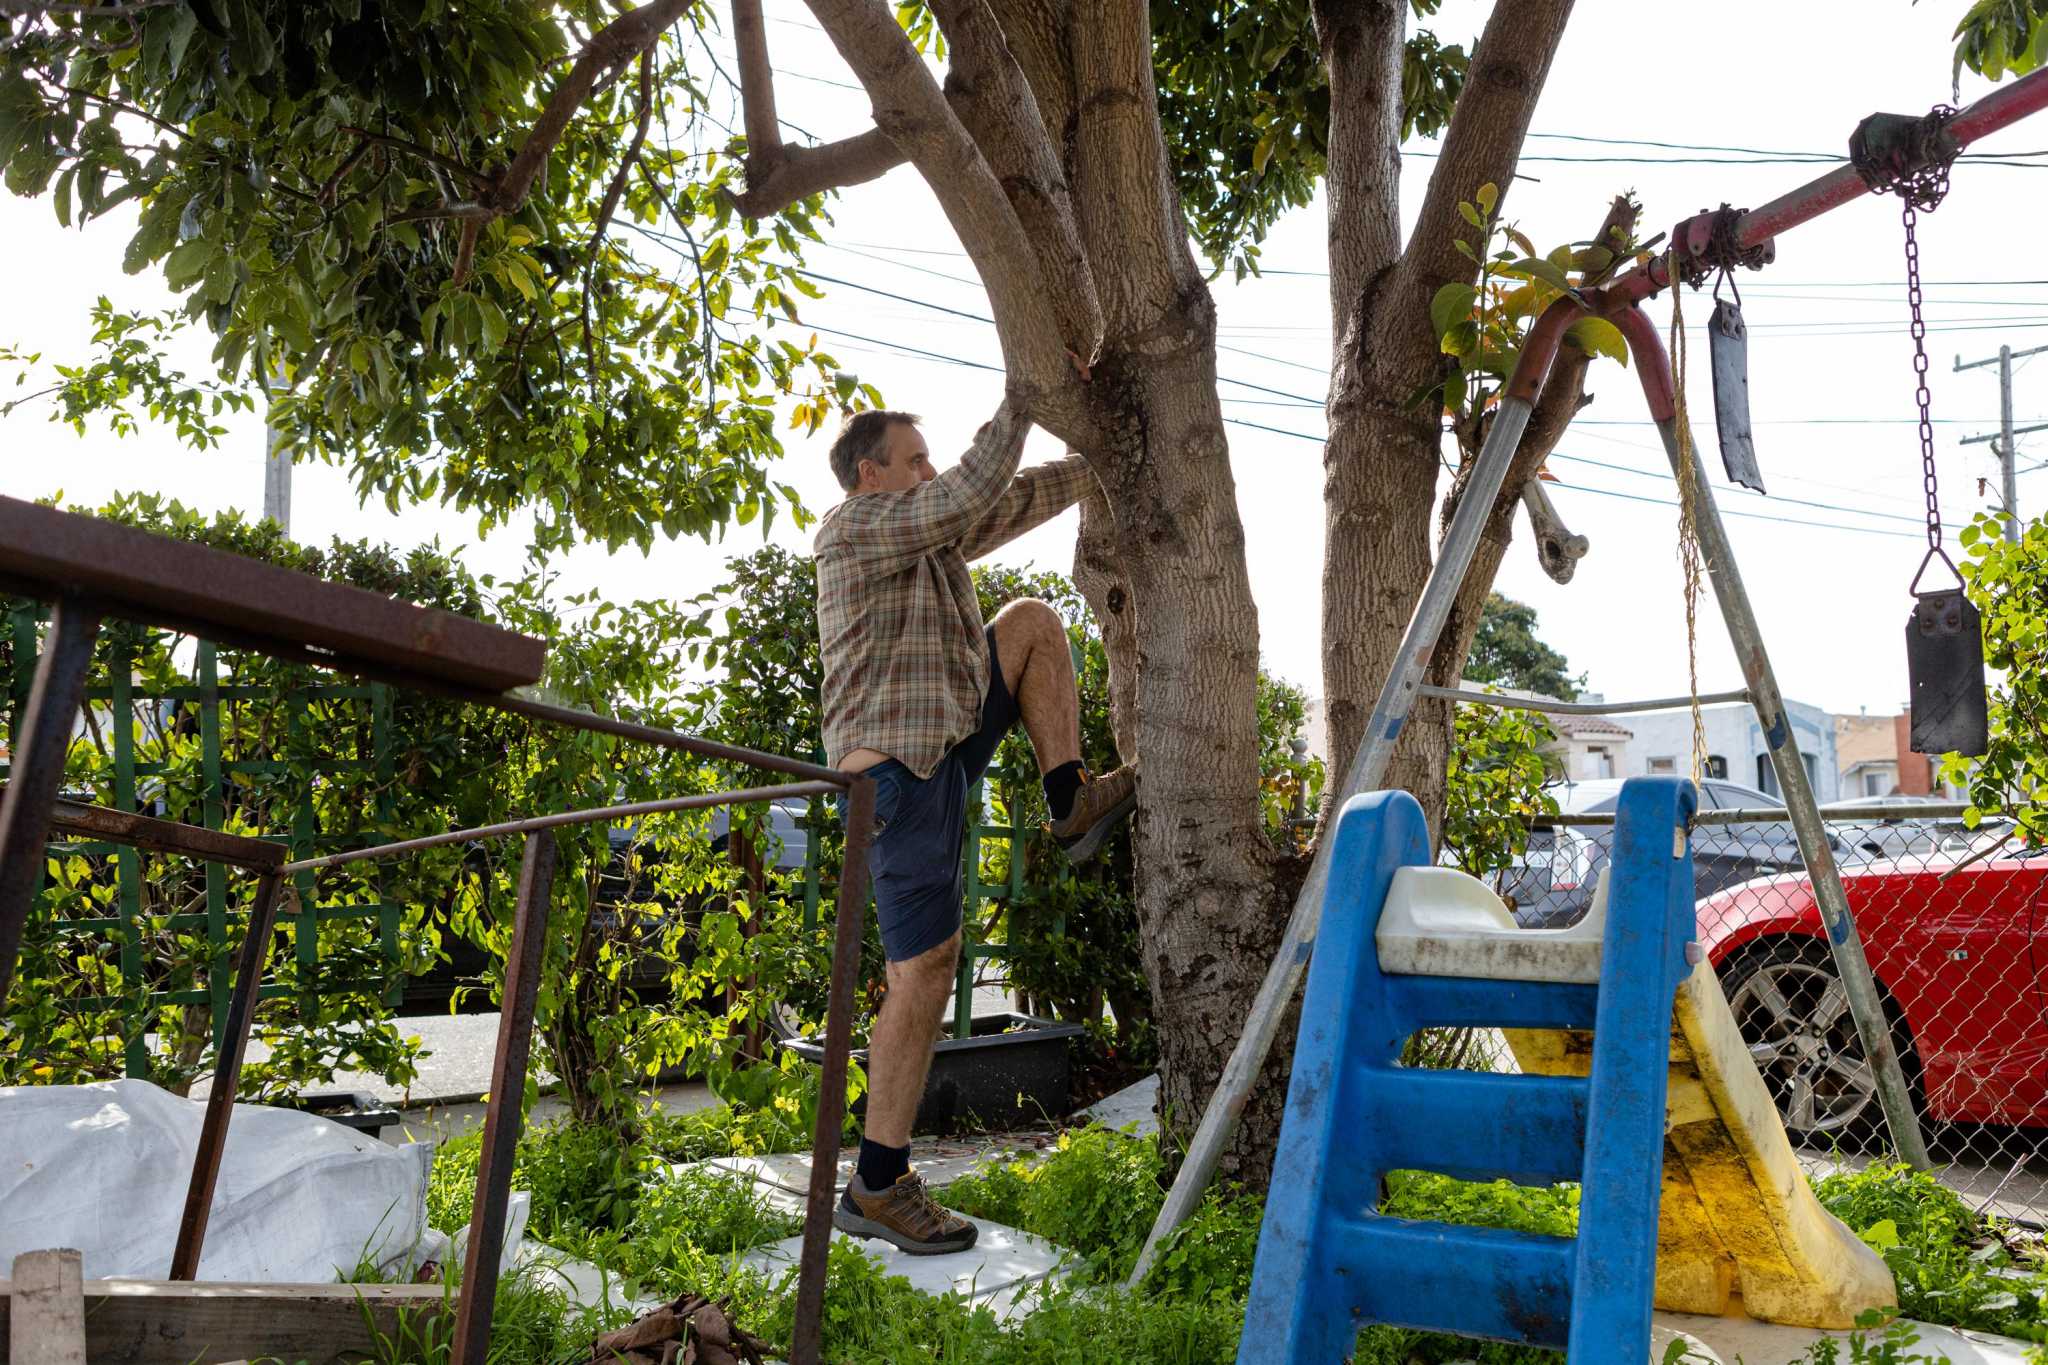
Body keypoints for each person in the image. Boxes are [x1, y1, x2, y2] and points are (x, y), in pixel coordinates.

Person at [814, 393, 1137, 1254]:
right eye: (914, 458)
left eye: (930, 458)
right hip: (893, 771)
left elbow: (1006, 499)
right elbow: (967, 490)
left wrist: (1099, 460)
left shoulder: (929, 538)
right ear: (869, 473)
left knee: (1029, 622)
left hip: (946, 742)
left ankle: (1069, 800)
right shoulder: (853, 529)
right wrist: (1024, 401)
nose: (929, 469)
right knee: (924, 968)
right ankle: (877, 1181)